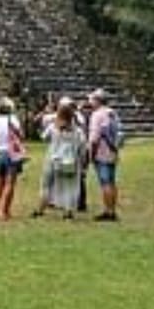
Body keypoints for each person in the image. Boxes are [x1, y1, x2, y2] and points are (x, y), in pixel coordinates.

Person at [31, 102, 86, 219]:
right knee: (69, 186)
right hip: (70, 160)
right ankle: (68, 211)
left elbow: (43, 138)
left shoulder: (53, 128)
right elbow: (82, 148)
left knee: (45, 185)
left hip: (52, 159)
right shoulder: (78, 131)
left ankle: (40, 209)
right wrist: (83, 163)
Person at [88, 88, 121, 221]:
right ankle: (112, 209)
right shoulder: (112, 113)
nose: (90, 101)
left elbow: (94, 137)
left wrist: (92, 153)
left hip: (101, 152)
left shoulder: (97, 115)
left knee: (105, 182)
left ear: (97, 100)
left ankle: (108, 211)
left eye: (92, 99)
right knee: (112, 182)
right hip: (112, 150)